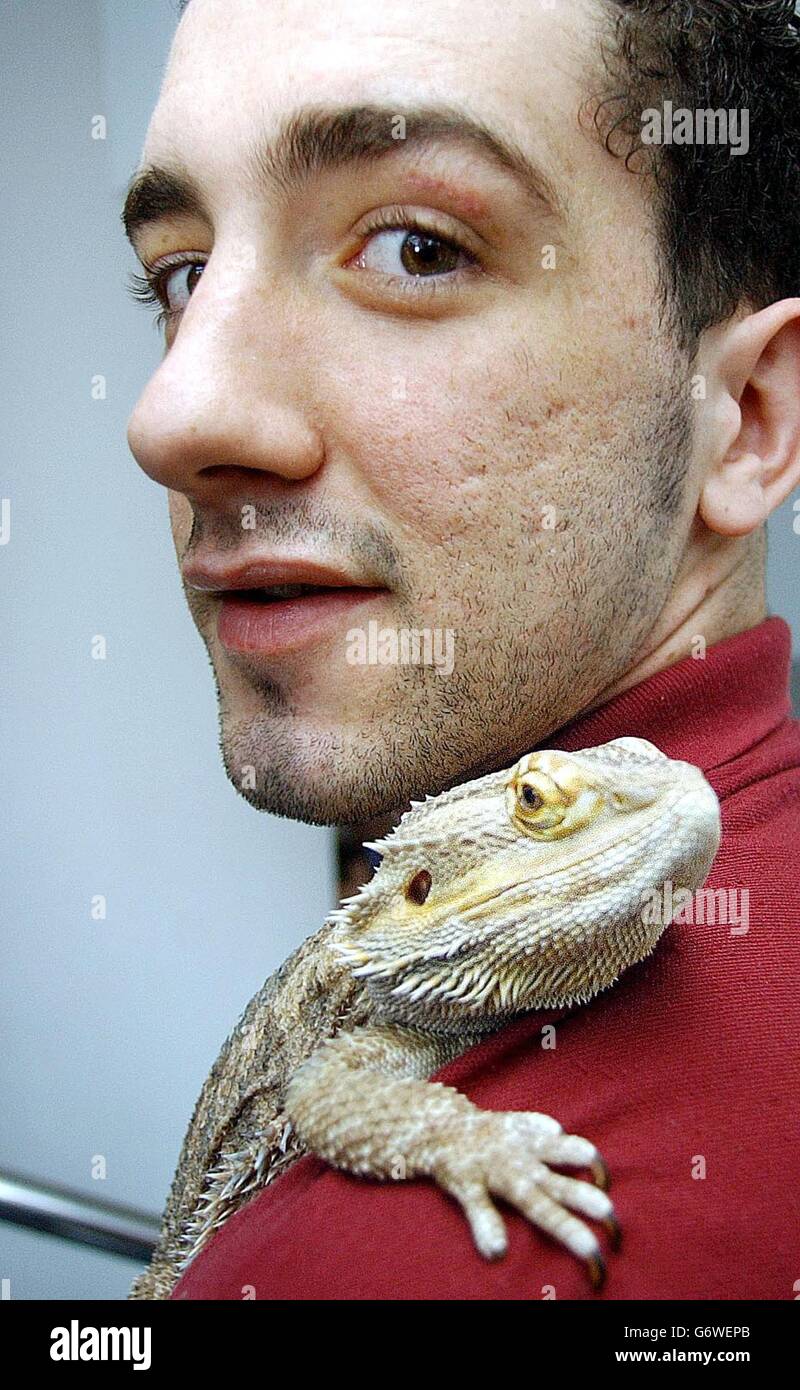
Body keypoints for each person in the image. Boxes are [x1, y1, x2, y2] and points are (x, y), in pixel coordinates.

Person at [122, 0, 800, 1298]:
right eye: (181, 276)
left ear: (749, 416)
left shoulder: (392, 1264)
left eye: (418, 245)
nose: (170, 414)